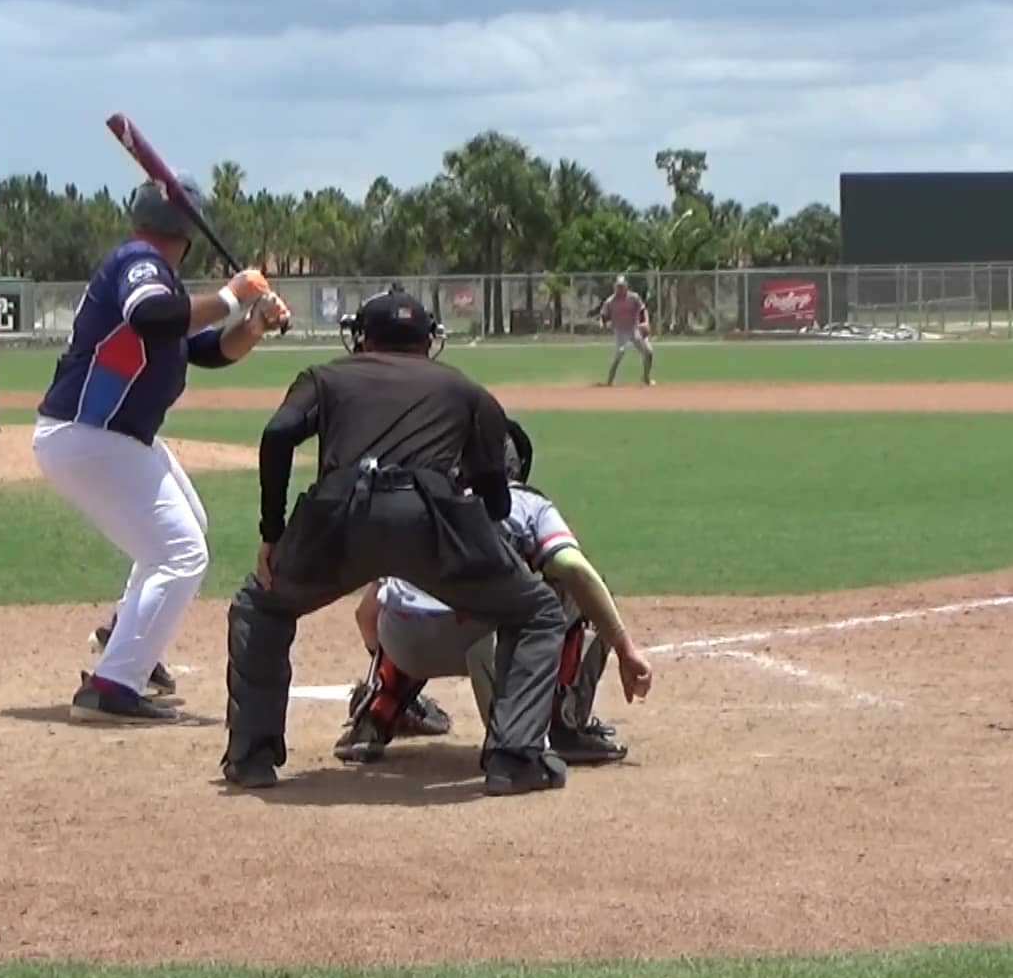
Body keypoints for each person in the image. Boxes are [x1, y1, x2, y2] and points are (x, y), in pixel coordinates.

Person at [221, 289, 572, 796]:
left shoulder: (326, 376)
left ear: (362, 336)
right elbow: (496, 496)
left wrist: (272, 533)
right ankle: (515, 757)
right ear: (429, 340)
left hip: (338, 517)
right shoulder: (465, 389)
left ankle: (251, 757)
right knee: (536, 610)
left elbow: (277, 436)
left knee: (261, 606)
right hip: (435, 522)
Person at [33, 173, 290, 724]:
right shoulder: (139, 265)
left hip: (113, 437)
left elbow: (207, 349)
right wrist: (232, 294)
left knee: (187, 526)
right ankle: (112, 686)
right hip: (89, 434)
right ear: (188, 229)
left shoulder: (158, 279)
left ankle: (124, 635)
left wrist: (253, 322)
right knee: (180, 552)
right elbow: (153, 317)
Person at [336, 419, 652, 765]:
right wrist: (624, 648)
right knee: (577, 588)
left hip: (402, 643)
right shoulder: (527, 504)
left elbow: (366, 614)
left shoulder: (423, 500)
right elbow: (576, 571)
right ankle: (563, 724)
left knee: (409, 598)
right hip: (481, 641)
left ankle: (379, 709)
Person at [600, 276, 655, 387]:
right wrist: (603, 324)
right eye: (618, 287)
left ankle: (646, 378)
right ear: (614, 287)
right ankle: (609, 381)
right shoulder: (610, 301)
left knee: (649, 352)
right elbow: (603, 315)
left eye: (622, 286)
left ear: (626, 286)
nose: (620, 289)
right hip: (621, 331)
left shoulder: (633, 297)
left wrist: (646, 322)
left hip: (634, 329)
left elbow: (643, 310)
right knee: (620, 352)